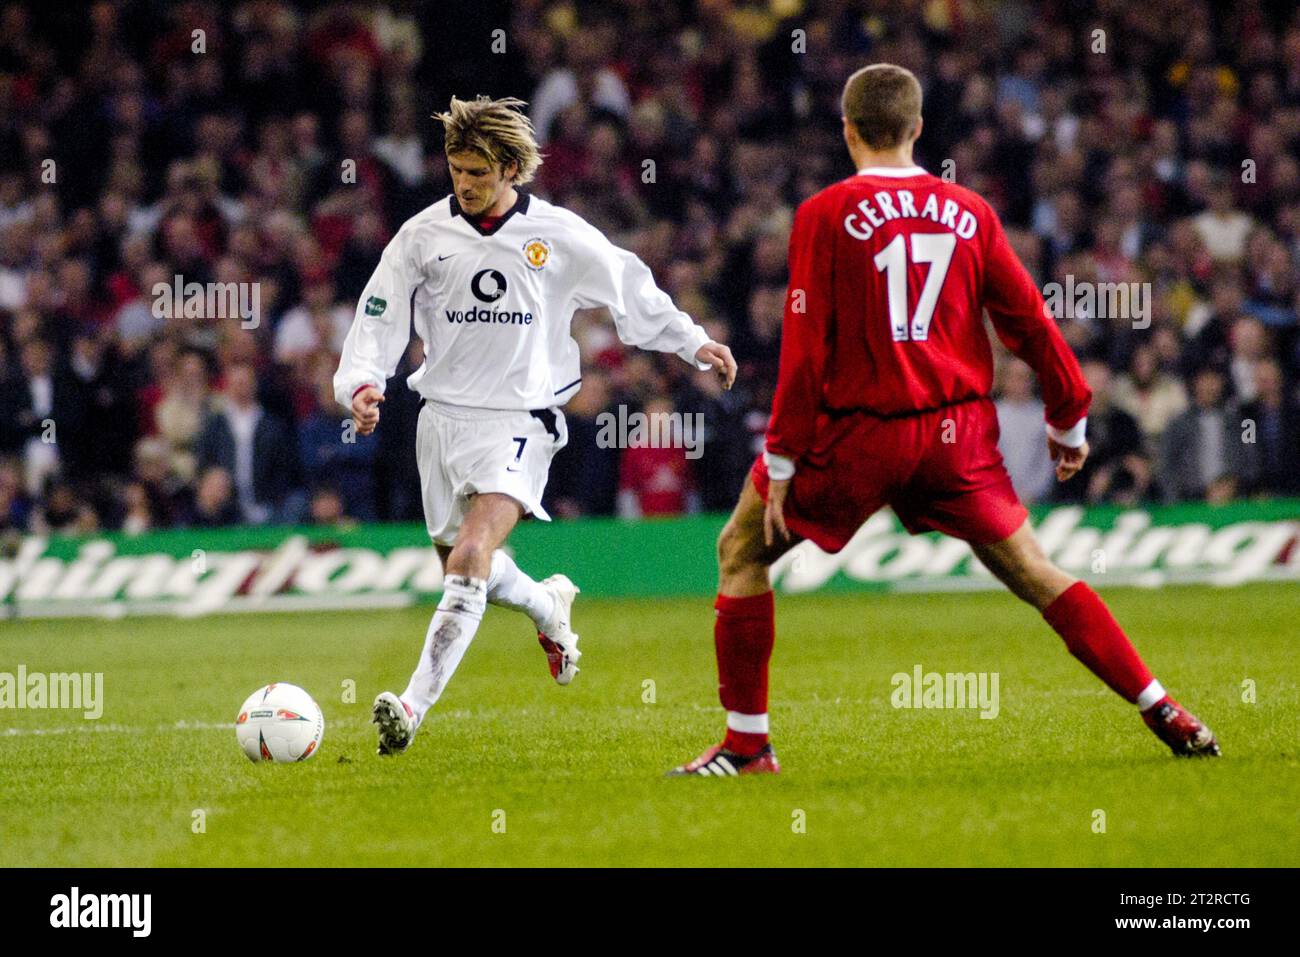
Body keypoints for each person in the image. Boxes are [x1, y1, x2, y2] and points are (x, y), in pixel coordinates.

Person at [671, 65, 1218, 776]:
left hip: (858, 430)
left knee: (742, 552)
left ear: (848, 129)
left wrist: (781, 460)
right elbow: (1029, 320)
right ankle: (1162, 707)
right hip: (953, 433)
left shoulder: (824, 214)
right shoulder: (971, 210)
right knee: (1034, 569)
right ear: (919, 128)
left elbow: (806, 352)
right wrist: (1069, 416)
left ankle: (747, 747)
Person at [334, 96, 736, 756]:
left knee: (468, 558)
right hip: (440, 421)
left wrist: (694, 342)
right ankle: (548, 605)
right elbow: (379, 312)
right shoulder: (422, 236)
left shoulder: (559, 235)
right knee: (467, 568)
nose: (464, 183)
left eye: (478, 172)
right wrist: (364, 381)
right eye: (456, 169)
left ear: (513, 168)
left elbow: (631, 288)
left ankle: (409, 706)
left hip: (522, 418)